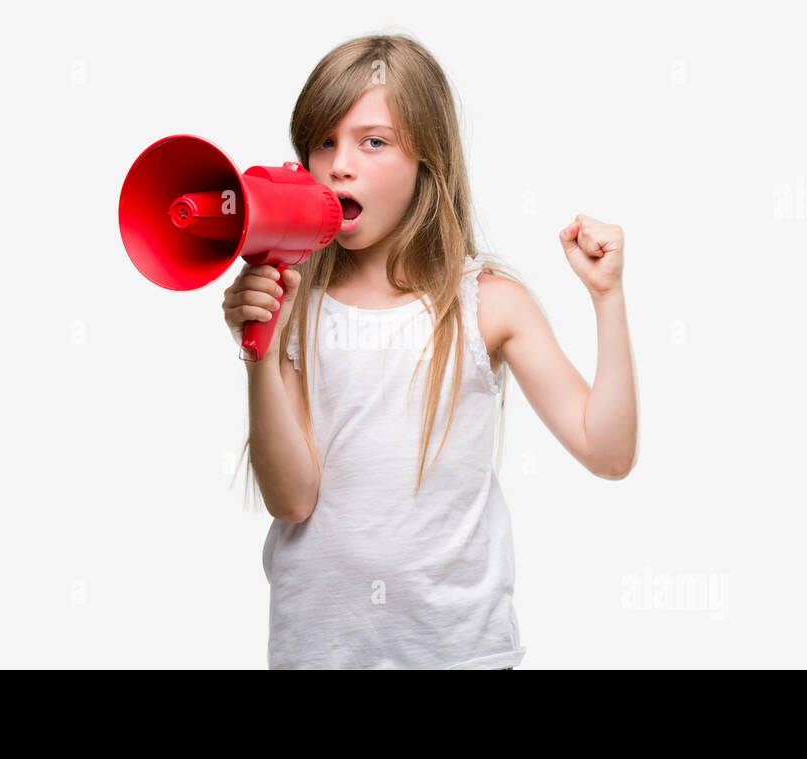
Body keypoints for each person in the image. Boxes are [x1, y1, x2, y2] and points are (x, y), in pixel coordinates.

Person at [222, 34, 639, 669]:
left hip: (458, 654)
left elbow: (608, 453)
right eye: (323, 142)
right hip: (317, 652)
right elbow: (292, 500)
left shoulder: (489, 304)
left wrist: (606, 298)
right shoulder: (297, 302)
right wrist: (262, 351)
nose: (339, 164)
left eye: (373, 141)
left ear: (429, 158)